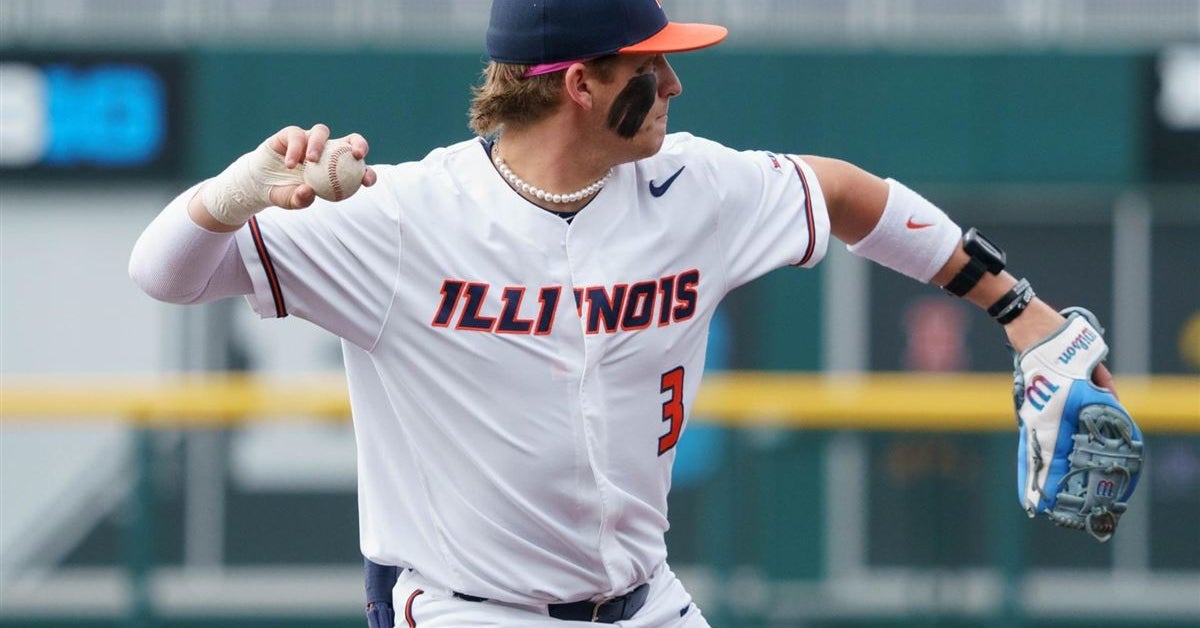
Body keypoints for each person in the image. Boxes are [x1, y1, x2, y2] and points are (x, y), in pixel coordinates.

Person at [130, 0, 1118, 625]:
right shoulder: (399, 218)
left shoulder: (697, 188)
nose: (675, 81)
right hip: (471, 611)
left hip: (646, 599)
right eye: (649, 63)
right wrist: (228, 196)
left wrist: (1019, 311)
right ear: (578, 84)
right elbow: (164, 272)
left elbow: (848, 194)